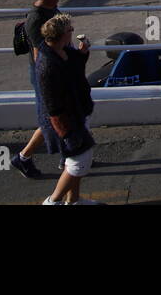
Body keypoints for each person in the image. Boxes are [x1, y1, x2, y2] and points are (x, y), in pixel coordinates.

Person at [36, 14, 98, 204]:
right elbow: (53, 106)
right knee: (79, 161)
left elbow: (75, 68)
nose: (73, 32)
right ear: (62, 34)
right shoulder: (48, 66)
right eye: (70, 30)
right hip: (65, 122)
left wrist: (83, 52)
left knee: (75, 161)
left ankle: (73, 200)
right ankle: (53, 201)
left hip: (77, 113)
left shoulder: (62, 51)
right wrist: (68, 134)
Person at [11, 0, 62, 180]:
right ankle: (23, 157)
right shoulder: (36, 19)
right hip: (46, 75)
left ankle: (68, 156)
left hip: (57, 70)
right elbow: (39, 54)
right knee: (50, 119)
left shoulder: (51, 9)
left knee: (62, 115)